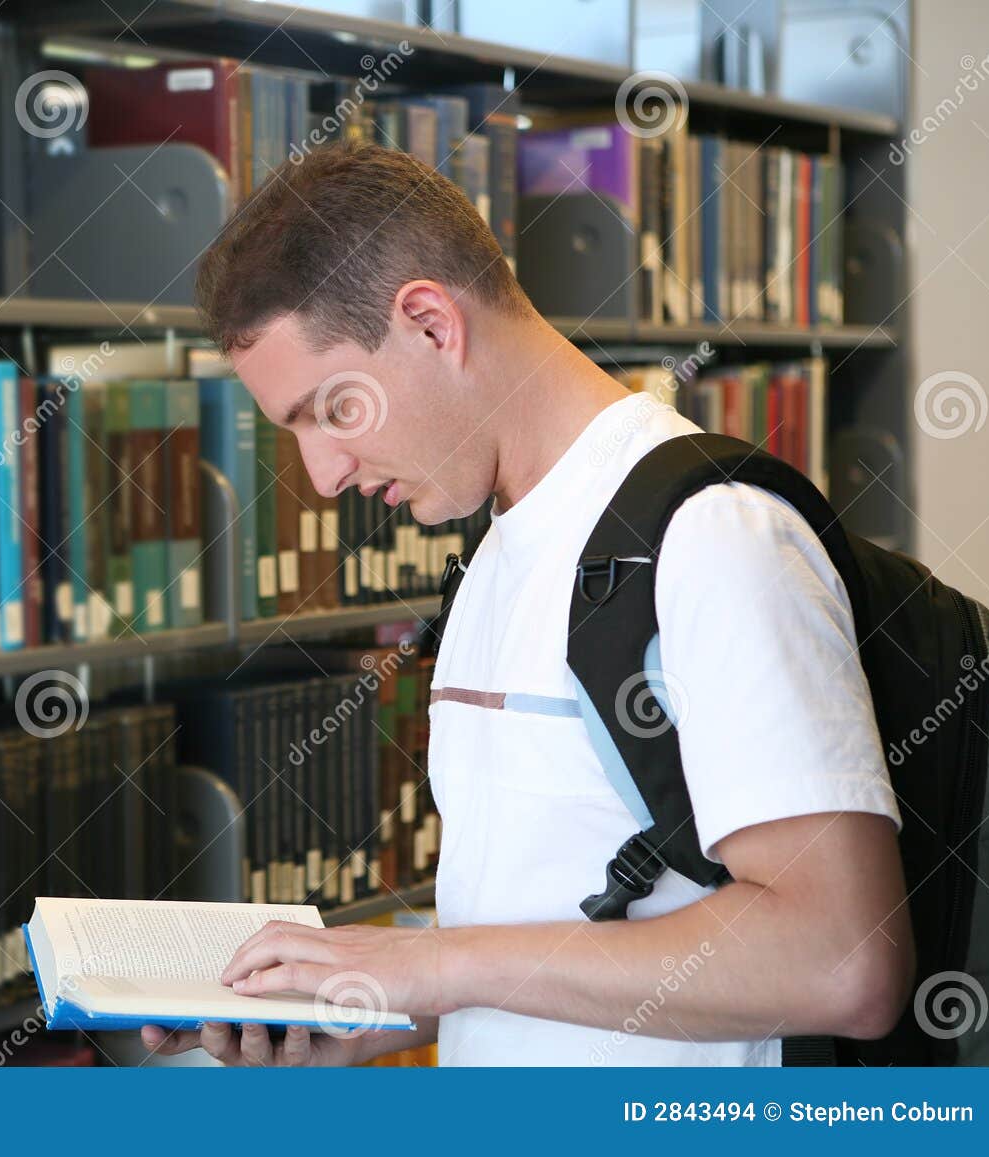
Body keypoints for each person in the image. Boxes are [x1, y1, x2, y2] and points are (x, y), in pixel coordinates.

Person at [140, 142, 912, 1067]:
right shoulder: (498, 547)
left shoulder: (715, 537)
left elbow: (843, 961)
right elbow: (554, 928)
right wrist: (363, 1014)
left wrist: (439, 965)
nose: (323, 472)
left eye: (330, 411)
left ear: (431, 323)